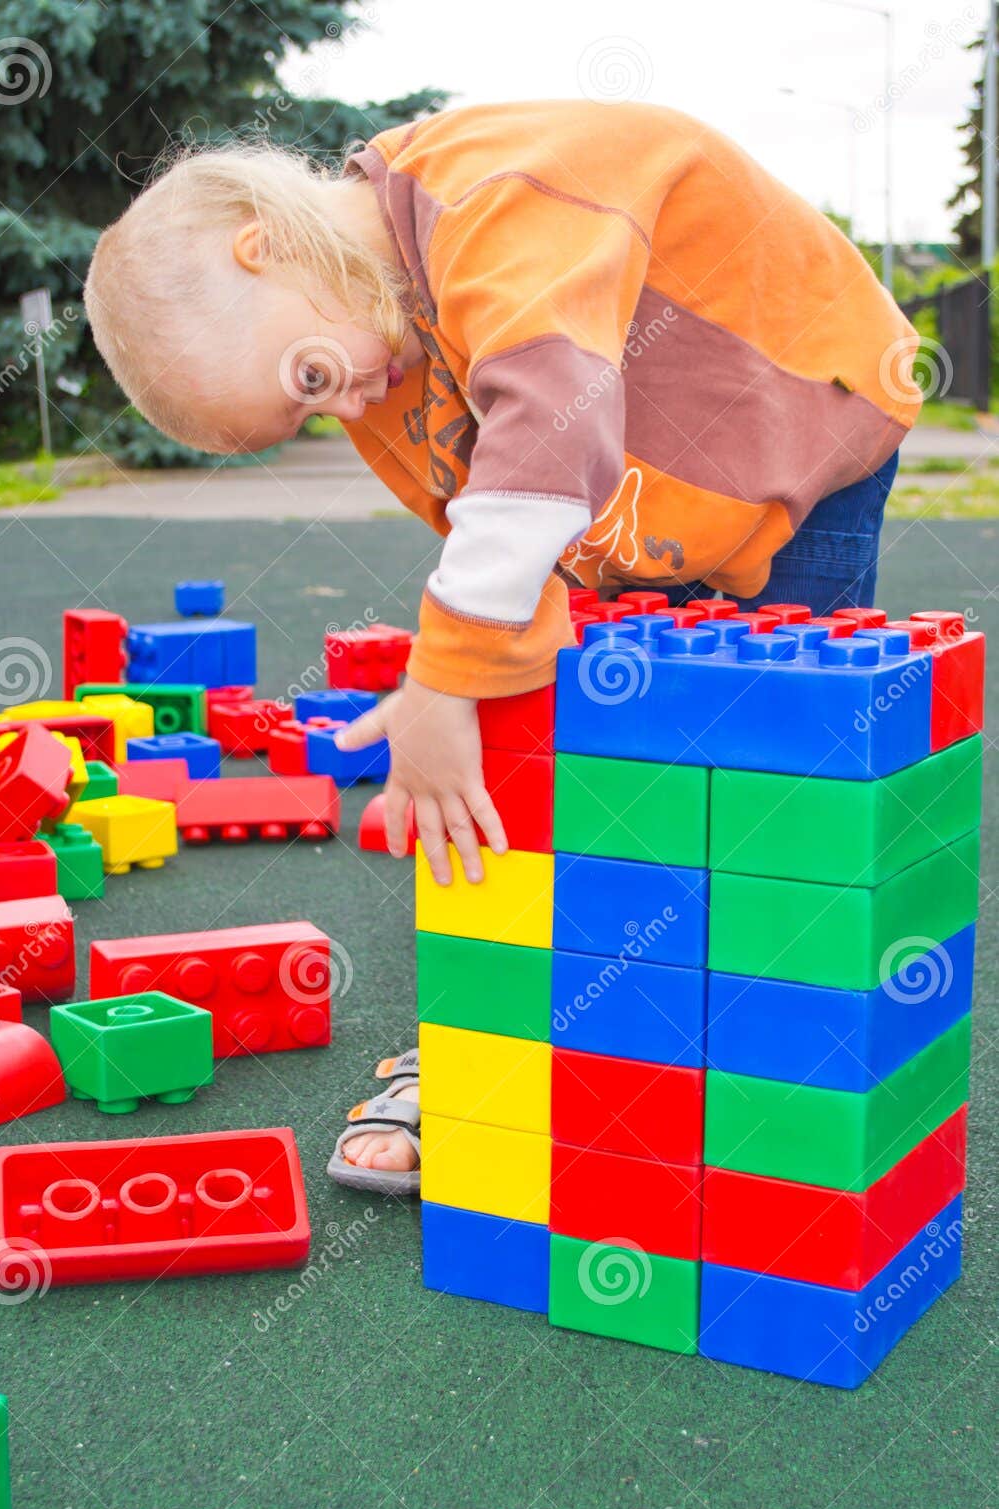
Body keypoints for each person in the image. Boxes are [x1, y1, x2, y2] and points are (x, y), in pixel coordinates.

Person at [83, 100, 921, 1193]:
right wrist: (480, 666)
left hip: (798, 423)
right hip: (630, 501)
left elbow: (552, 414)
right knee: (569, 766)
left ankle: (769, 1053)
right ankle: (516, 1041)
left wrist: (444, 673)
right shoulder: (365, 329)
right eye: (307, 411)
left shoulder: (489, 192)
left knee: (779, 782)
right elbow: (493, 515)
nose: (344, 401)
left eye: (306, 376)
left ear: (267, 245)